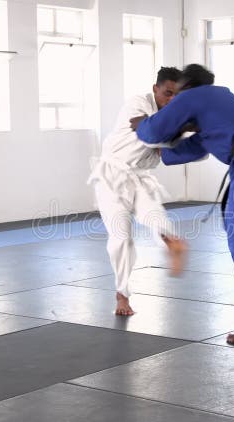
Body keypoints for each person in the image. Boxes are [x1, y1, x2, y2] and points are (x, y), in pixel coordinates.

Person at [131, 64, 234, 344]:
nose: (174, 100)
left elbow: (154, 130)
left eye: (176, 94)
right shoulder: (221, 106)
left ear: (186, 87)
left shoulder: (194, 95)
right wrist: (160, 151)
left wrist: (141, 125)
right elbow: (193, 147)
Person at [87, 67, 188, 316]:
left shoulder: (176, 116)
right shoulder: (138, 104)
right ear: (155, 89)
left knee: (157, 216)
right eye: (167, 93)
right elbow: (153, 135)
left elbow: (170, 146)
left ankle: (172, 243)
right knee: (121, 237)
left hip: (141, 177)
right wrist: (187, 128)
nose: (172, 100)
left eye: (177, 95)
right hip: (111, 177)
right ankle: (122, 294)